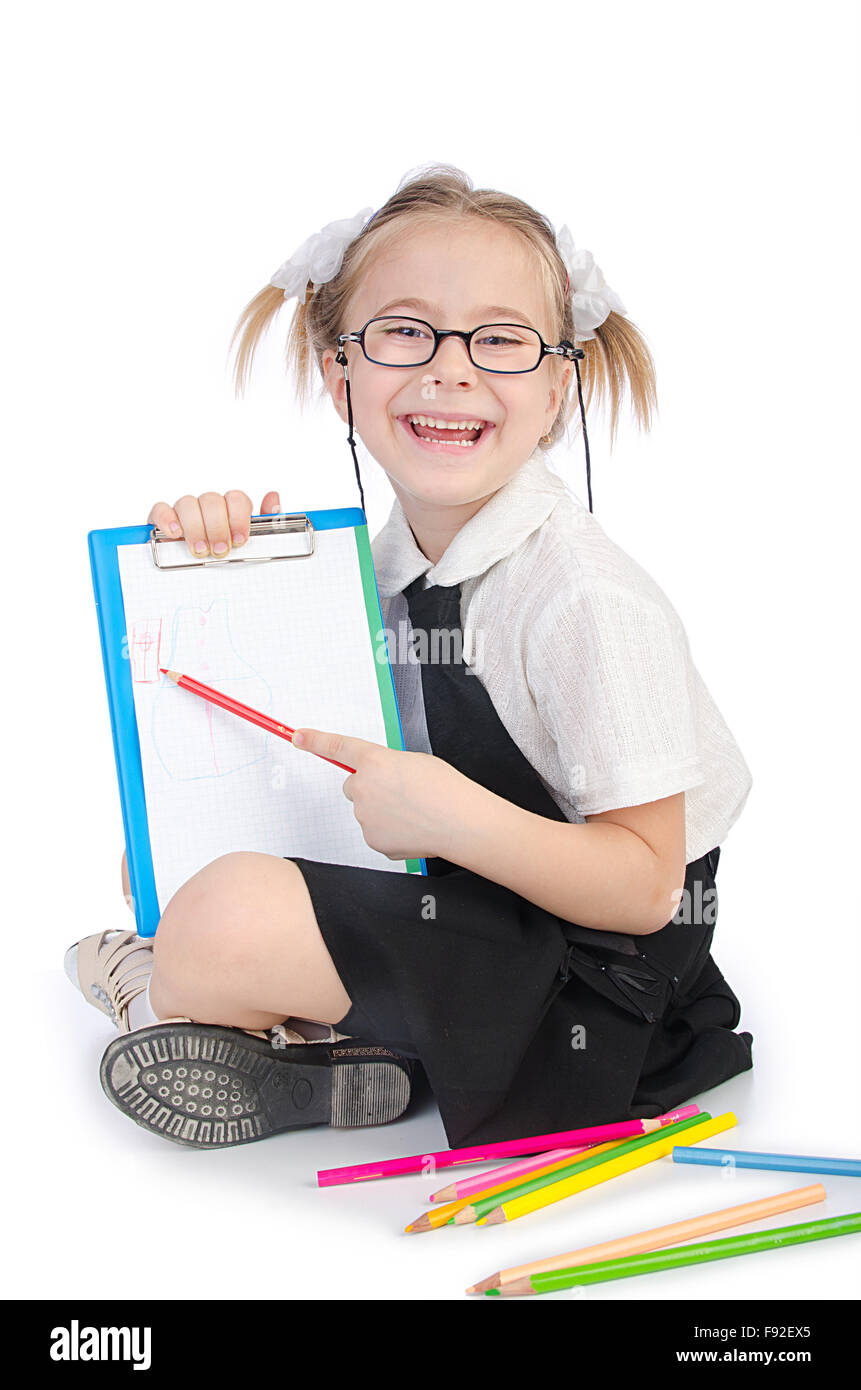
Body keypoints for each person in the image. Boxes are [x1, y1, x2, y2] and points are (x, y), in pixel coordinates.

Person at [65, 162, 753, 1151]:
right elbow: (303, 770)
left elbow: (649, 887)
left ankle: (175, 993)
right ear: (339, 370)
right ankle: (325, 1036)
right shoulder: (372, 569)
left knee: (211, 920)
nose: (452, 367)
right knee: (163, 862)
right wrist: (218, 571)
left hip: (600, 968)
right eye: (405, 330)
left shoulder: (583, 595)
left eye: (501, 339)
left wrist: (450, 815)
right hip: (475, 893)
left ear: (558, 385)